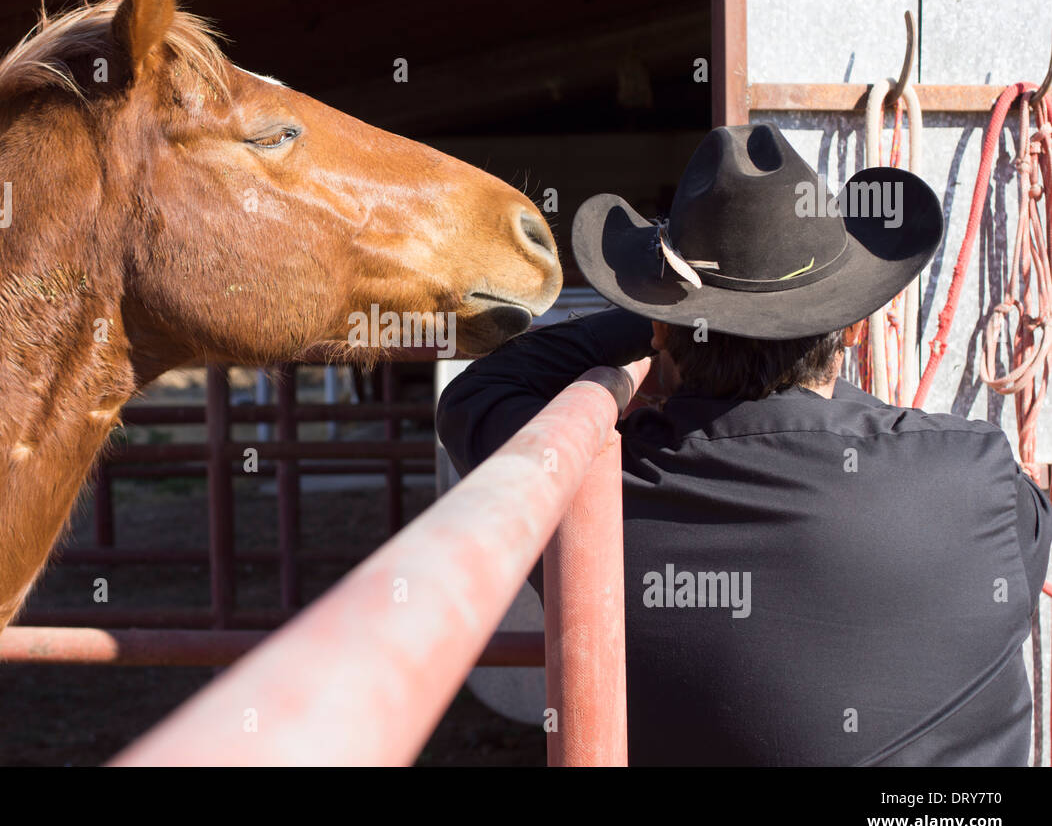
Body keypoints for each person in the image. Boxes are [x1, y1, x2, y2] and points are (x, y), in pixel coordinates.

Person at [437, 123, 1051, 765]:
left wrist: (661, 307)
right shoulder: (978, 479)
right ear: (844, 328)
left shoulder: (595, 499)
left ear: (662, 333)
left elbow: (478, 394)